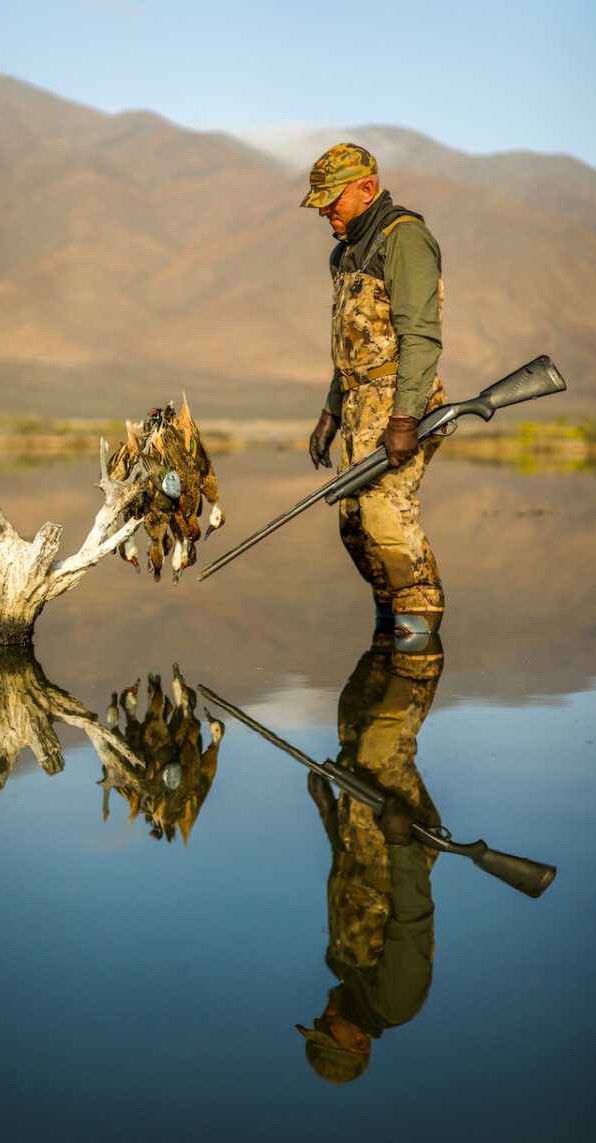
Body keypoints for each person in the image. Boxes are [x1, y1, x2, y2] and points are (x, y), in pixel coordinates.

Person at [302, 143, 447, 648]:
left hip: (402, 399)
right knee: (352, 520)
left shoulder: (404, 239)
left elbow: (421, 337)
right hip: (359, 404)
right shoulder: (343, 254)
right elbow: (352, 346)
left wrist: (406, 417)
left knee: (385, 510)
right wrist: (330, 412)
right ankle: (390, 630)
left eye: (331, 199)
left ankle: (421, 635)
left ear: (367, 189)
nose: (323, 210)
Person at [298, 630, 444, 1083]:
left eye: (317, 1024)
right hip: (398, 845)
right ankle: (419, 643)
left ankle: (390, 630)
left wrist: (327, 813)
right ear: (358, 1042)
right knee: (381, 752)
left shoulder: (342, 966)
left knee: (352, 721)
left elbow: (343, 872)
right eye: (328, 1028)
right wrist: (400, 841)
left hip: (360, 836)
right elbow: (413, 918)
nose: (322, 1016)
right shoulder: (395, 1002)